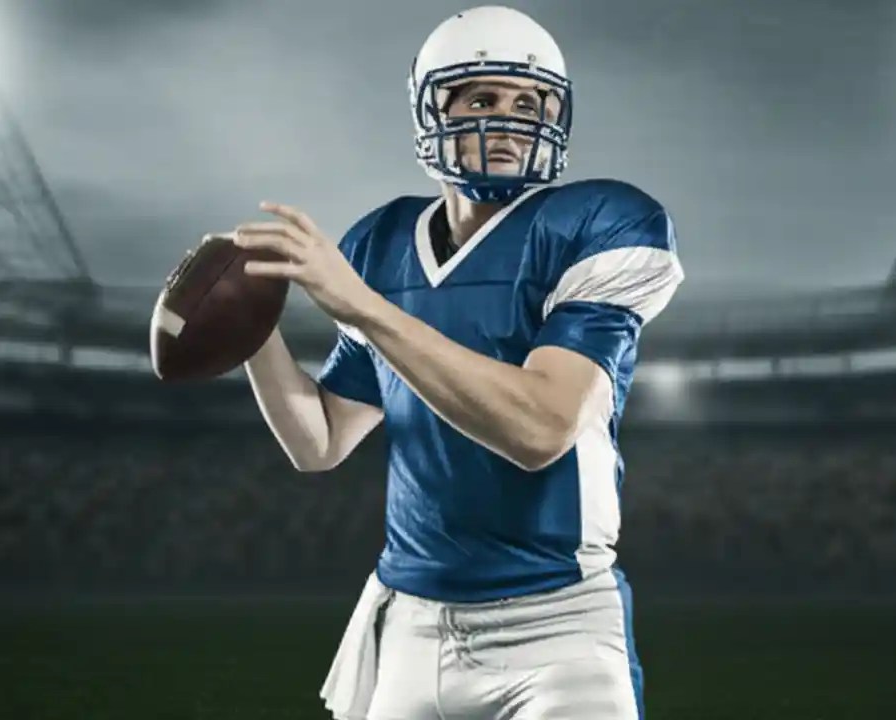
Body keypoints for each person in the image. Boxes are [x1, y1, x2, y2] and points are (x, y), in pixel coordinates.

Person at [230, 5, 683, 719]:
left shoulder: (599, 222)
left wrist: (366, 309)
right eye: (482, 98)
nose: (509, 119)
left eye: (529, 102)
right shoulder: (380, 243)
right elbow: (318, 442)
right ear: (429, 114)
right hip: (411, 623)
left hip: (557, 625)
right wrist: (248, 326)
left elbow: (540, 430)